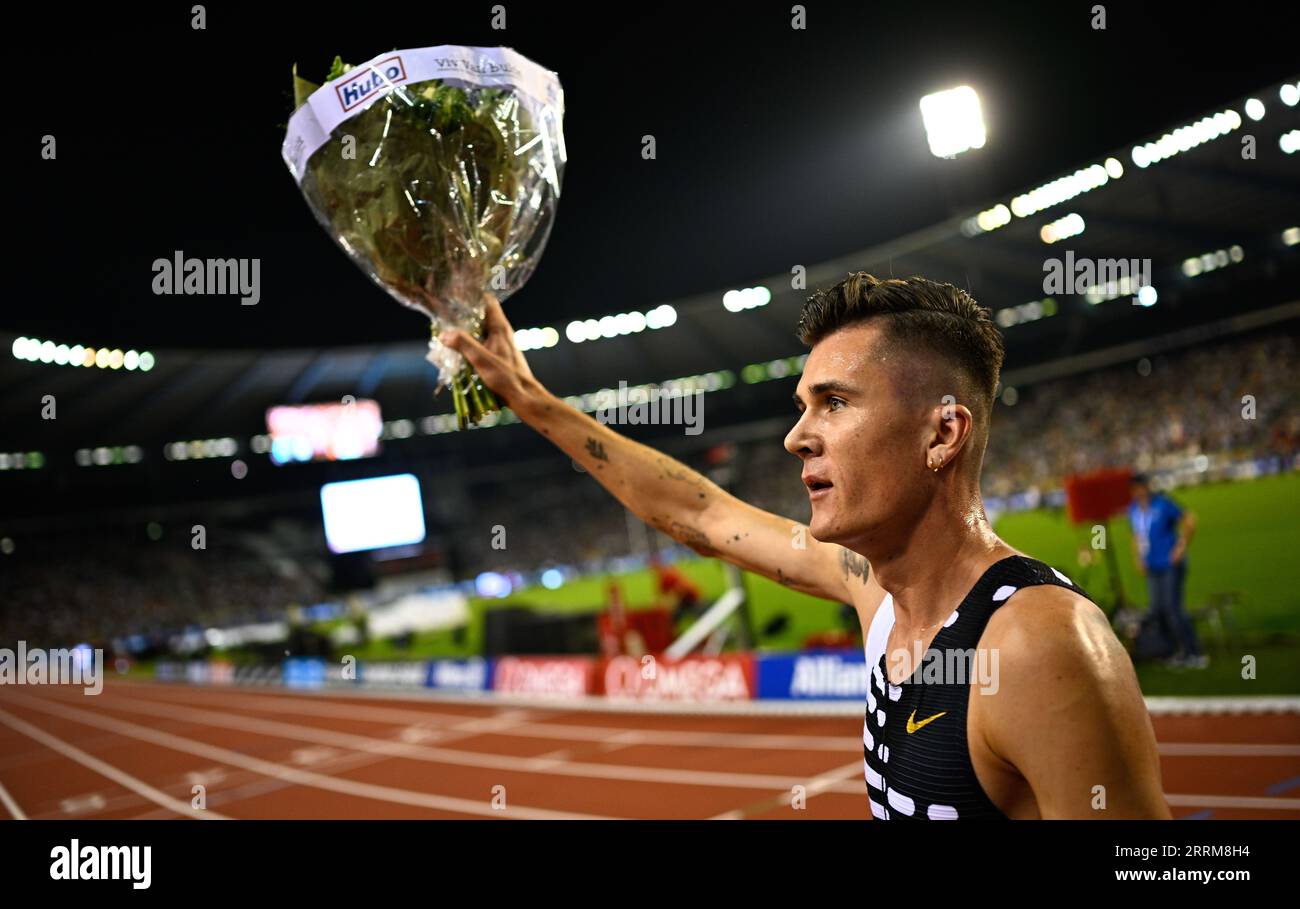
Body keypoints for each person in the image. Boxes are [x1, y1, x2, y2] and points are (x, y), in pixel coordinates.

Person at [440, 273, 1169, 819]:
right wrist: (535, 403)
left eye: (836, 402)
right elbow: (696, 512)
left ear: (942, 434)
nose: (797, 436)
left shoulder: (1041, 644)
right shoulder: (872, 585)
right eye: (803, 407)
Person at [1128, 472, 1205, 669]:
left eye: (1140, 486)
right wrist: (1138, 558)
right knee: (1158, 609)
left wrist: (1180, 547)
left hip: (1170, 563)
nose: (1138, 491)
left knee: (1173, 609)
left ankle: (1194, 652)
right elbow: (1136, 535)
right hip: (1153, 565)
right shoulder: (1134, 510)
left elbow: (1189, 519)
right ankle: (1172, 649)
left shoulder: (1162, 503)